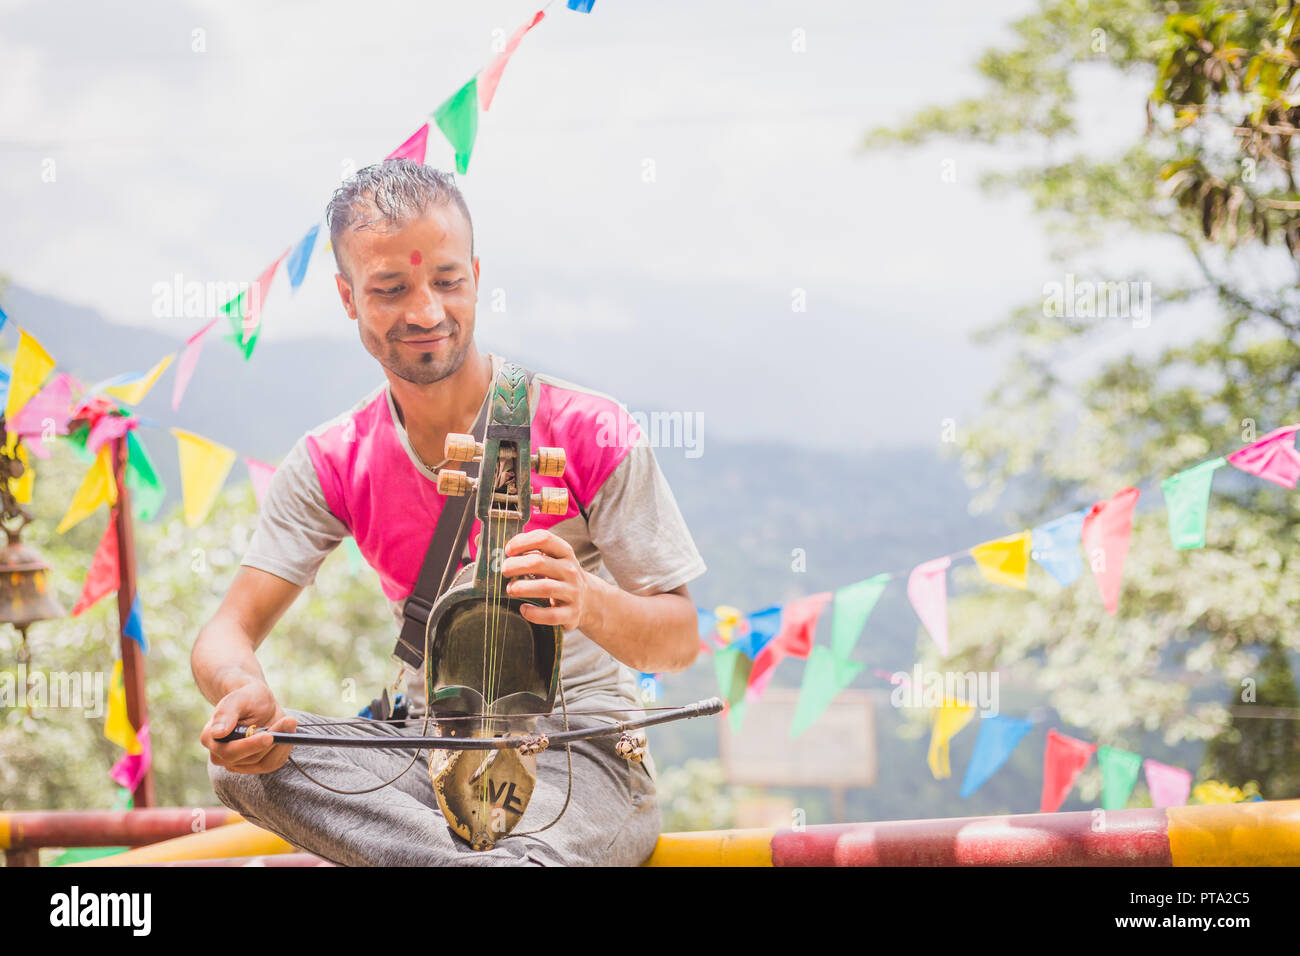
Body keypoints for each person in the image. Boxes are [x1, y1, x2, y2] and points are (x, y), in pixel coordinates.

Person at [192, 159, 706, 866]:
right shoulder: (332, 458)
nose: (427, 312)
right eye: (390, 288)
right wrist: (239, 690)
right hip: (427, 753)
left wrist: (586, 600)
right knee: (244, 767)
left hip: (581, 753)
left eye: (447, 281)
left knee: (518, 848)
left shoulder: (591, 427)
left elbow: (679, 640)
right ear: (347, 297)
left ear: (476, 273)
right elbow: (226, 632)